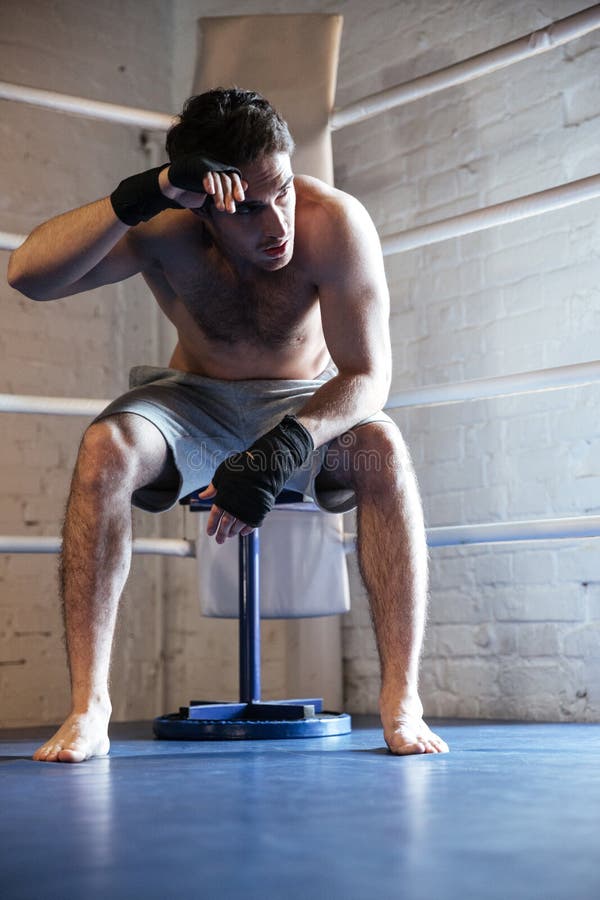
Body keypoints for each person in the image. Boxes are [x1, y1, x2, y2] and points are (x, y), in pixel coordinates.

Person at [8, 87, 448, 761]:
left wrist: (283, 450)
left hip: (304, 406)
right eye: (246, 208)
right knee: (106, 448)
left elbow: (366, 376)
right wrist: (141, 195)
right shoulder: (166, 231)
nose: (276, 224)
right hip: (193, 405)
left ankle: (401, 700)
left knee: (383, 450)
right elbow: (29, 275)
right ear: (202, 206)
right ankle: (89, 706)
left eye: (281, 193)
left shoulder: (333, 221)